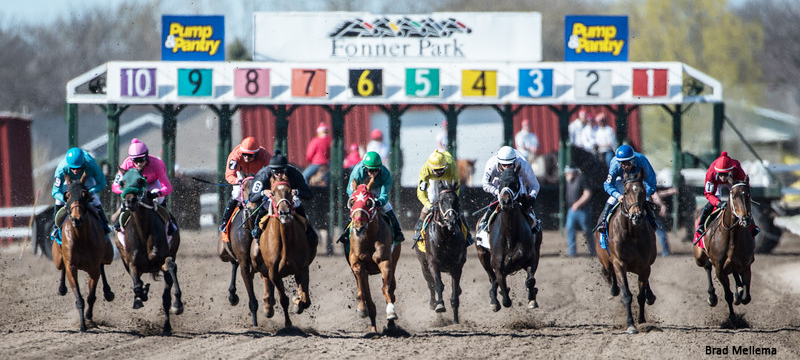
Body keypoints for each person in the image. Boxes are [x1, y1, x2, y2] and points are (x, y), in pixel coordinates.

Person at [111, 138, 175, 259]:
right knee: (127, 202)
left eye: (141, 160)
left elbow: (168, 187)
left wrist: (157, 194)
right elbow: (115, 186)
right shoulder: (126, 164)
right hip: (134, 188)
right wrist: (127, 191)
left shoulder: (156, 163)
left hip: (152, 185)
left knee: (159, 201)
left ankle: (169, 224)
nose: (138, 163)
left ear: (146, 157)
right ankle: (119, 225)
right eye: (135, 160)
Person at [475, 146, 541, 243]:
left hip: (517, 185)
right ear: (499, 163)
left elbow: (534, 185)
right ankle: (484, 223)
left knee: (526, 204)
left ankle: (534, 222)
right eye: (504, 165)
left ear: (514, 162)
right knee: (496, 202)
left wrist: (532, 197)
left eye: (510, 165)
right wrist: (497, 192)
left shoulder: (523, 164)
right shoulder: (491, 164)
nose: (507, 168)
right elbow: (485, 184)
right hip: (499, 186)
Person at [249, 153, 318, 245]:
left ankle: (309, 231)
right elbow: (252, 197)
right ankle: (257, 229)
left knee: (298, 203)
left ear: (286, 168)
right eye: (276, 172)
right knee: (263, 205)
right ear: (271, 170)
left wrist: (297, 192)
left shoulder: (294, 173)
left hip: (289, 199)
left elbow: (309, 194)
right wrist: (262, 192)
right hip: (270, 198)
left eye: (282, 171)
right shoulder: (263, 175)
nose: (279, 174)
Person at [339, 151, 404, 244]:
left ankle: (398, 232)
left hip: (377, 190)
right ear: (365, 168)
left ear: (380, 168)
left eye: (375, 170)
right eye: (370, 170)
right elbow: (350, 190)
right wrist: (356, 200)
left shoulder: (386, 175)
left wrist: (379, 202)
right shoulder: (357, 171)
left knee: (387, 207)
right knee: (356, 209)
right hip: (360, 191)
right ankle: (345, 233)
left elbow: (384, 195)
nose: (372, 173)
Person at [412, 149, 473, 245]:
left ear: (445, 167)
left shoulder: (452, 167)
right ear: (430, 168)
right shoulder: (425, 171)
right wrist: (430, 206)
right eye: (436, 170)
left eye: (441, 169)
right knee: (432, 198)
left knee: (453, 203)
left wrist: (453, 201)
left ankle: (467, 233)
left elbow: (456, 189)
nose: (438, 172)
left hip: (448, 176)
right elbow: (421, 194)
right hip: (432, 179)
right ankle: (419, 228)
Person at [694, 151, 760, 239]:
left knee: (742, 202)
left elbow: (745, 186)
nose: (723, 178)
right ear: (717, 172)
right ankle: (701, 226)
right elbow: (708, 194)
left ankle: (752, 227)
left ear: (731, 171)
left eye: (725, 174)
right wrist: (718, 203)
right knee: (713, 203)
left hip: (733, 181)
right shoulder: (711, 174)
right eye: (720, 174)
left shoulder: (737, 169)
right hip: (716, 183)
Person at [593, 144, 657, 234]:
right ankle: (603, 223)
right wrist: (618, 196)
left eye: (627, 163)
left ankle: (653, 223)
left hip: (638, 183)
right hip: (622, 181)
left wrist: (643, 194)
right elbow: (607, 185)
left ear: (633, 159)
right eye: (622, 163)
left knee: (646, 199)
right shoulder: (615, 164)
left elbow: (651, 182)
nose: (624, 166)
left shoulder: (642, 160)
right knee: (612, 199)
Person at [50, 147, 110, 241]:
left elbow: (102, 183)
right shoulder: (62, 169)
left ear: (83, 163)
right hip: (69, 182)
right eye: (73, 168)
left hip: (86, 179)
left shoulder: (91, 165)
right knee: (58, 199)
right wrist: (64, 198)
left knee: (95, 198)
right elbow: (55, 191)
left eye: (78, 168)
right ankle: (55, 227)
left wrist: (91, 192)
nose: (75, 171)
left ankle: (105, 224)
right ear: (68, 165)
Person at [218, 136, 271, 233]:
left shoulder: (265, 155)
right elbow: (229, 175)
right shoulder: (235, 155)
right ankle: (224, 222)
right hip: (241, 176)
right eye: (244, 154)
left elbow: (272, 172)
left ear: (257, 153)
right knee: (237, 194)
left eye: (250, 155)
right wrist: (236, 181)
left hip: (258, 177)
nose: (246, 157)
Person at [564, 165, 594, 257]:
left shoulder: (582, 179)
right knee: (569, 229)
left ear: (574, 172)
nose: (566, 174)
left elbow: (587, 194)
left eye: (568, 172)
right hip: (571, 209)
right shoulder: (569, 181)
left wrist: (578, 204)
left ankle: (592, 251)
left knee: (587, 230)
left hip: (583, 210)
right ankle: (572, 252)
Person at [651, 187, 677, 257]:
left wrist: (669, 192)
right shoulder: (647, 185)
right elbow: (655, 195)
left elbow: (657, 194)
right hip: (653, 213)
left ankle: (665, 251)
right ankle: (665, 251)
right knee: (661, 233)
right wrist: (662, 205)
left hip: (651, 213)